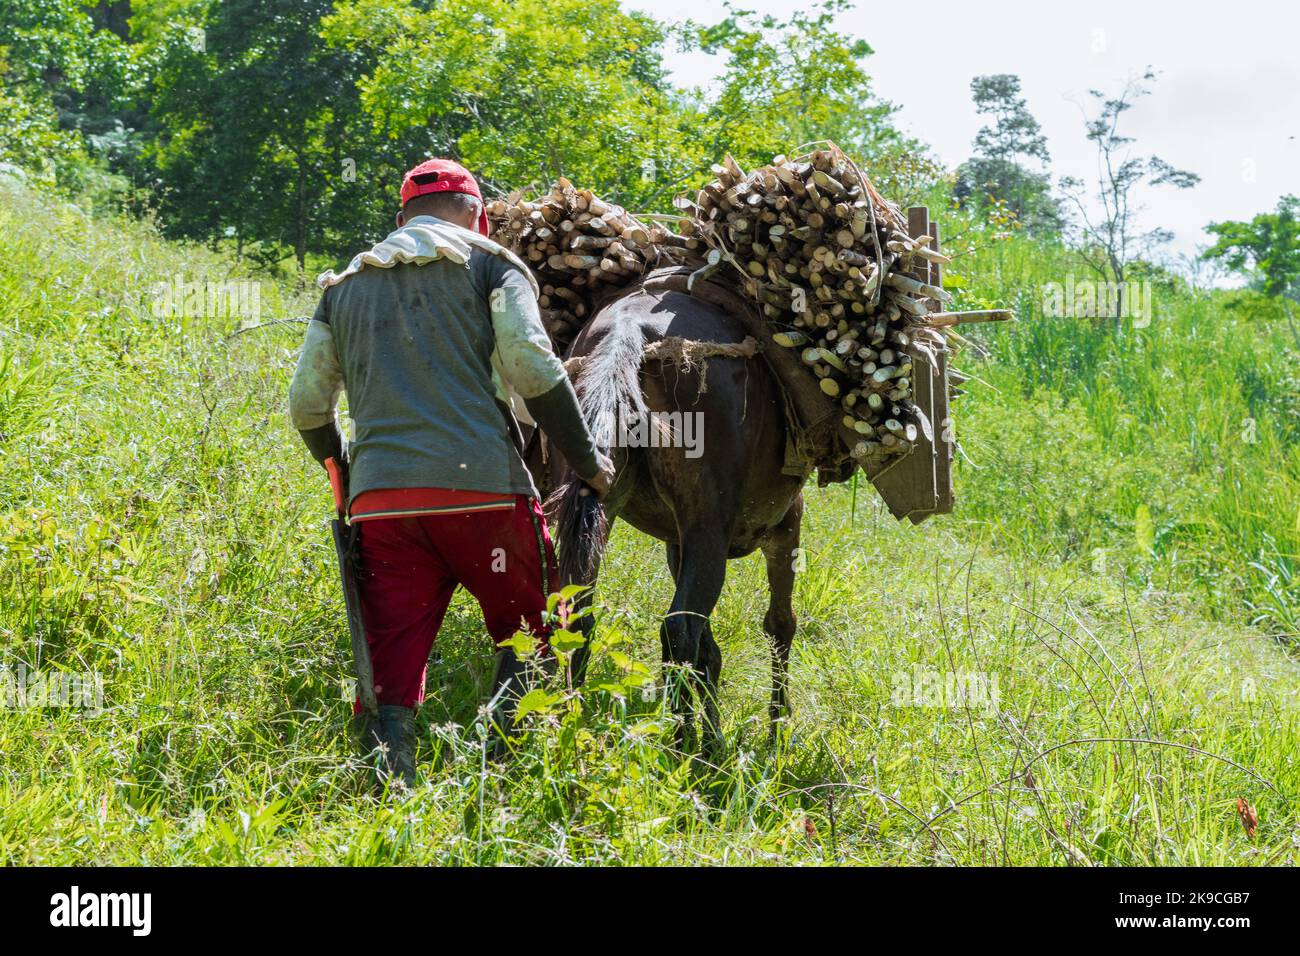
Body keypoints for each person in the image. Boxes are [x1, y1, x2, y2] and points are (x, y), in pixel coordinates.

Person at [288, 158, 614, 787]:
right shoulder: (493, 264)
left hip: (383, 507)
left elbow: (306, 405)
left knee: (389, 664)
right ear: (477, 213)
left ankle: (391, 788)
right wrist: (588, 463)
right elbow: (532, 369)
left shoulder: (342, 287)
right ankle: (502, 778)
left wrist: (343, 475)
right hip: (486, 497)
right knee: (534, 630)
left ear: (401, 217)